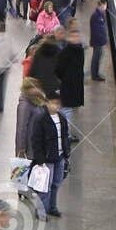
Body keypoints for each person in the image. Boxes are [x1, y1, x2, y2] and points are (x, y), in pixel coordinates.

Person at [28, 90, 71, 220]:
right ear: (46, 103)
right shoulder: (41, 119)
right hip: (47, 159)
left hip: (60, 157)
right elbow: (36, 140)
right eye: (53, 103)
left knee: (56, 183)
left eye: (58, 104)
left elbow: (65, 136)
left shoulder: (62, 118)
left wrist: (66, 151)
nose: (56, 106)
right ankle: (41, 212)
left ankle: (52, 208)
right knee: (45, 186)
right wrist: (40, 159)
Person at [57, 23, 87, 132]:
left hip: (75, 85)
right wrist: (65, 79)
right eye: (74, 37)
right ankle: (66, 133)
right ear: (69, 38)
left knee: (67, 110)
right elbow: (58, 69)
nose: (76, 39)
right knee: (67, 110)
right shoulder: (65, 52)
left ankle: (66, 132)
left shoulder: (80, 50)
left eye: (77, 37)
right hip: (67, 85)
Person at [89, 0, 109, 81]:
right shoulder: (96, 16)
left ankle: (96, 73)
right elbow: (97, 31)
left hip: (99, 41)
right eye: (104, 6)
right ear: (100, 5)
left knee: (98, 58)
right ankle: (94, 75)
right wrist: (103, 40)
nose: (105, 7)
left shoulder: (100, 14)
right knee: (96, 59)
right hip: (97, 42)